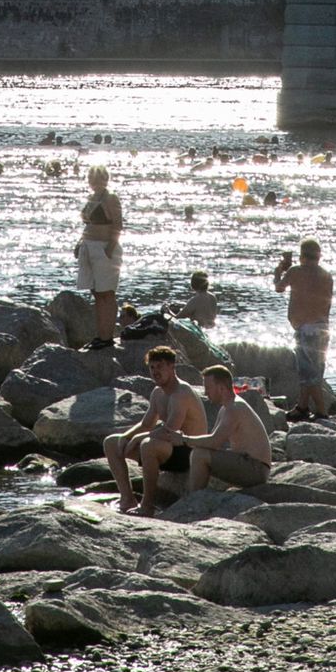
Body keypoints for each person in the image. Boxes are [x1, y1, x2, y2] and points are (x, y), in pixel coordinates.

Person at [102, 344, 207, 516]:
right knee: (111, 442)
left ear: (172, 367)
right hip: (168, 448)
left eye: (160, 367)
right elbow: (146, 424)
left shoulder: (181, 393)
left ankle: (147, 505)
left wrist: (137, 439)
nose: (155, 371)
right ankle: (127, 498)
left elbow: (170, 431)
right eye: (152, 367)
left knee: (147, 445)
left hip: (188, 451)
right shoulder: (158, 392)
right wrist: (126, 437)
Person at [184, 365, 273, 492]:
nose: (205, 392)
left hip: (256, 469)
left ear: (221, 388)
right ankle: (195, 497)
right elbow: (211, 442)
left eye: (208, 388)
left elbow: (215, 442)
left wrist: (184, 439)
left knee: (199, 455)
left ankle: (193, 501)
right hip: (249, 464)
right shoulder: (226, 408)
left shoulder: (235, 408)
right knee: (200, 451)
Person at [274, 237, 333, 421]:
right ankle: (302, 406)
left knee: (308, 374)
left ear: (302, 256)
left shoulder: (296, 271)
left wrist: (278, 271)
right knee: (315, 370)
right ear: (319, 256)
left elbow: (279, 288)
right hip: (323, 328)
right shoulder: (326, 275)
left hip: (306, 329)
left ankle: (322, 412)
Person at [76, 164, 124, 348]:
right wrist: (80, 244)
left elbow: (118, 225)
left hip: (104, 247)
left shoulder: (111, 198)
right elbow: (87, 225)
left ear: (106, 179)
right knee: (96, 292)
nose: (94, 182)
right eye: (92, 179)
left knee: (107, 293)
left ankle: (107, 336)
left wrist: (110, 248)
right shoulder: (91, 198)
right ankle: (100, 334)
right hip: (88, 246)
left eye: (98, 179)